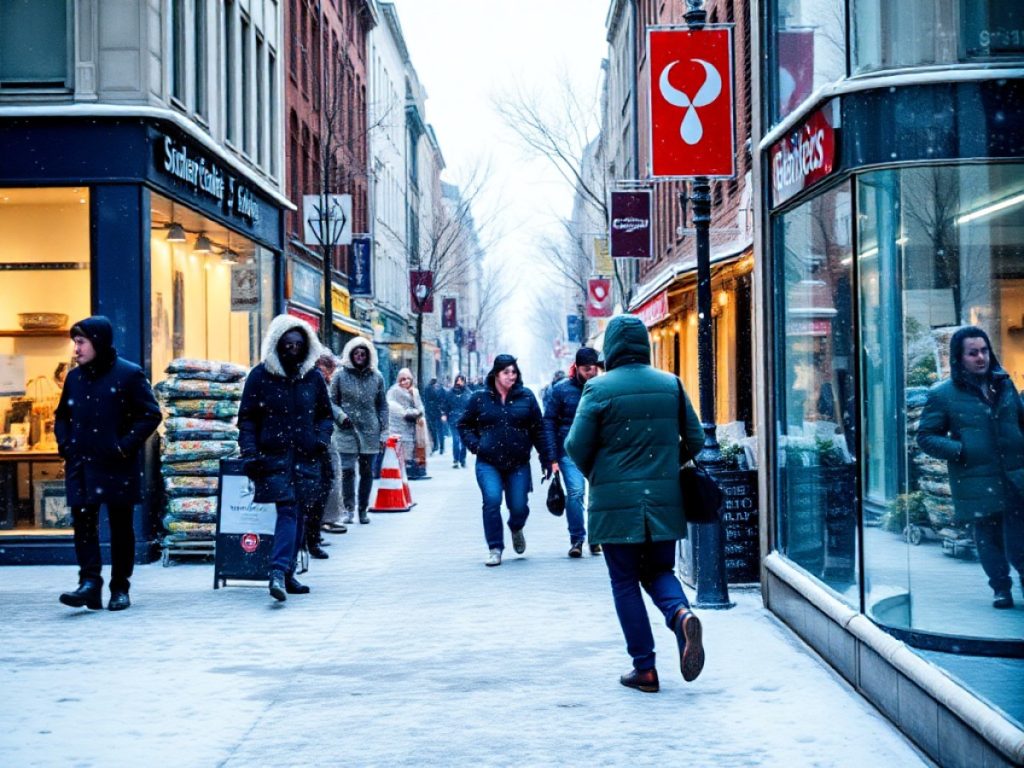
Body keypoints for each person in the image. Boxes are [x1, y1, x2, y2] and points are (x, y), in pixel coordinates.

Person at [565, 314, 706, 692]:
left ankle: (645, 669)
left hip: (615, 503)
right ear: (644, 344)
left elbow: (575, 446)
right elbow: (696, 440)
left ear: (610, 347)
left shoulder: (597, 389)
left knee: (624, 581)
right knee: (660, 570)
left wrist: (602, 471)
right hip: (663, 500)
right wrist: (663, 463)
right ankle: (681, 615)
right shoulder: (670, 385)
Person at [54, 316, 162, 612]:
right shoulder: (74, 378)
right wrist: (65, 445)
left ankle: (120, 587)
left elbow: (151, 414)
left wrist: (123, 446)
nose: (75, 349)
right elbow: (62, 415)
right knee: (84, 527)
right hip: (82, 465)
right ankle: (89, 584)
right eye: (74, 343)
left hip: (116, 465)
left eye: (80, 342)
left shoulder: (128, 374)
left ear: (97, 343)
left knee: (120, 528)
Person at [917, 326, 1024, 609]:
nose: (981, 357)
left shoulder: (1004, 383)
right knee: (988, 536)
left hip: (1015, 473)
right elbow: (926, 437)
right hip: (976, 475)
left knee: (1020, 536)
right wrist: (961, 450)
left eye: (984, 350)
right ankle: (1000, 588)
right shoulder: (943, 394)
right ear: (959, 357)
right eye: (973, 353)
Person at [237, 315, 333, 602]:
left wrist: (320, 440)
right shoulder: (260, 376)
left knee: (300, 512)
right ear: (277, 344)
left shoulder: (313, 378)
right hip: (273, 457)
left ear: (307, 346)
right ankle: (278, 571)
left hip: (306, 456)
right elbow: (248, 419)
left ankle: (287, 573)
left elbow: (325, 415)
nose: (293, 349)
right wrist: (250, 453)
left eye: (298, 344)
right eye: (287, 344)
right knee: (289, 511)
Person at [457, 354, 554, 566]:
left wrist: (547, 458)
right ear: (496, 374)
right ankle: (495, 547)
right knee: (491, 501)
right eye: (506, 372)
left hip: (518, 462)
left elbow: (539, 430)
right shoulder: (479, 398)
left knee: (519, 506)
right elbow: (464, 425)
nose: (511, 376)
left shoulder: (526, 397)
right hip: (488, 461)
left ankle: (516, 526)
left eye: (514, 372)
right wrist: (476, 445)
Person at [543, 347, 602, 558]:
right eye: (587, 369)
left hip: (598, 449)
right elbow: (548, 422)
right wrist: (551, 457)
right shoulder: (560, 390)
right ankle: (577, 538)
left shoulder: (602, 388)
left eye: (594, 369)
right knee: (576, 494)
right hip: (569, 450)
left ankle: (596, 539)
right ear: (576, 368)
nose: (592, 373)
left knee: (598, 495)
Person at [331, 337, 388, 525]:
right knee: (347, 470)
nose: (360, 357)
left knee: (367, 472)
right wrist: (340, 416)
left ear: (368, 355)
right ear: (350, 354)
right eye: (356, 353)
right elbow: (331, 401)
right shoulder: (340, 375)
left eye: (363, 354)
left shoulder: (377, 377)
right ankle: (349, 509)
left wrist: (383, 432)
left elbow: (382, 406)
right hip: (346, 429)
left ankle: (363, 510)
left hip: (370, 430)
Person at [388, 368, 429, 480]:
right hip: (399, 427)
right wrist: (408, 413)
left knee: (413, 448)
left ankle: (414, 470)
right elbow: (392, 406)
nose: (405, 381)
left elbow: (420, 408)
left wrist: (415, 400)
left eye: (407, 379)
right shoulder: (394, 391)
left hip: (413, 427)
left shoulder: (414, 391)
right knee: (402, 449)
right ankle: (404, 471)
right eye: (402, 379)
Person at [443, 373, 473, 469]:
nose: (459, 382)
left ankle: (462, 459)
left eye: (461, 380)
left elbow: (471, 408)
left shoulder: (468, 393)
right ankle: (456, 460)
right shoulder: (450, 393)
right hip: (454, 420)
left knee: (464, 441)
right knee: (456, 440)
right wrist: (444, 415)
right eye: (458, 380)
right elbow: (446, 406)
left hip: (465, 421)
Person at [424, 378, 446, 456]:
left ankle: (438, 446)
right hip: (435, 412)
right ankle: (439, 447)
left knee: (436, 430)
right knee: (438, 430)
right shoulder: (439, 389)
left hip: (434, 412)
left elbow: (426, 401)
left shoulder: (428, 389)